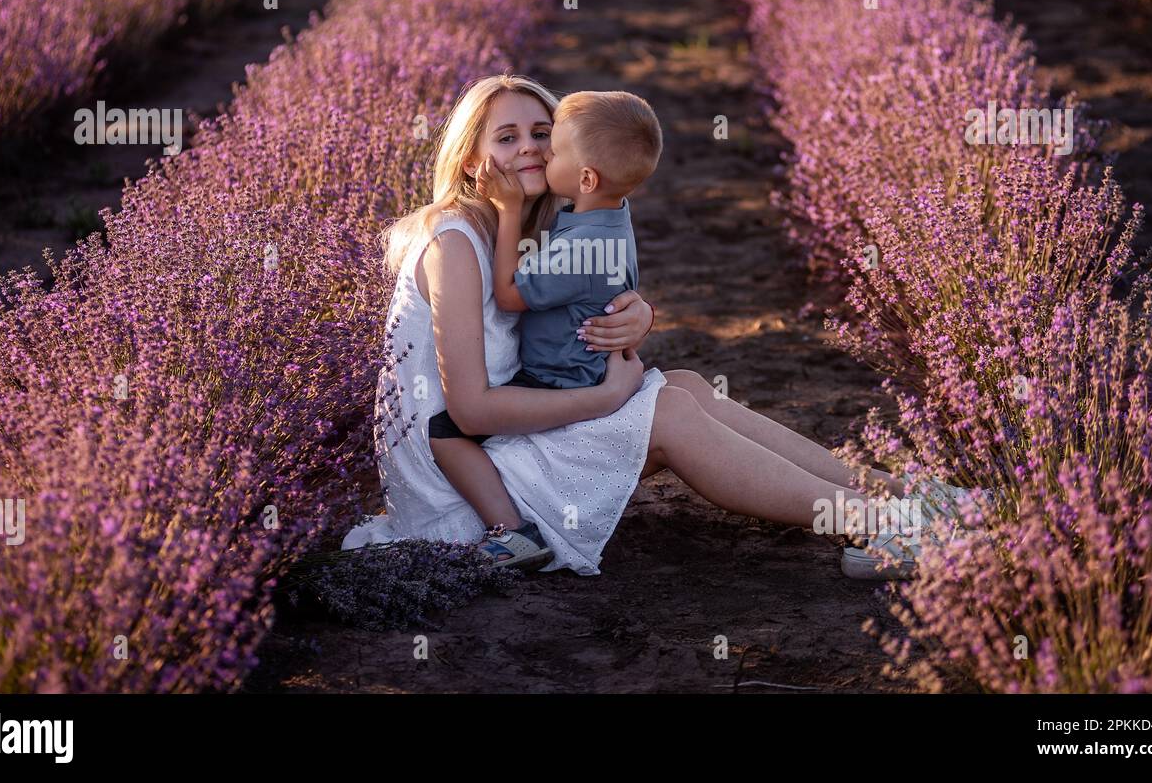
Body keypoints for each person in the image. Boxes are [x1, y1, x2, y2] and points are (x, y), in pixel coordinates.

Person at [342, 72, 961, 579]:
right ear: (472, 161)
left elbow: (584, 293)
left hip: (504, 437)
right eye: (506, 138)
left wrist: (636, 312)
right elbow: (468, 412)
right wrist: (607, 395)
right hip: (462, 482)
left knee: (686, 384)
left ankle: (899, 494)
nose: (529, 148)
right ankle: (883, 525)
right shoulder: (454, 243)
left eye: (541, 132)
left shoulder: (530, 226)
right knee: (665, 412)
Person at [424, 90, 663, 570]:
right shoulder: (605, 212)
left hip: (561, 378)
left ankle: (512, 533)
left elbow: (511, 294)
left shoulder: (569, 237)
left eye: (548, 141)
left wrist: (509, 211)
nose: (539, 151)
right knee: (684, 400)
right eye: (510, 138)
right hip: (586, 372)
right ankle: (856, 494)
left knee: (444, 431)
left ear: (586, 177)